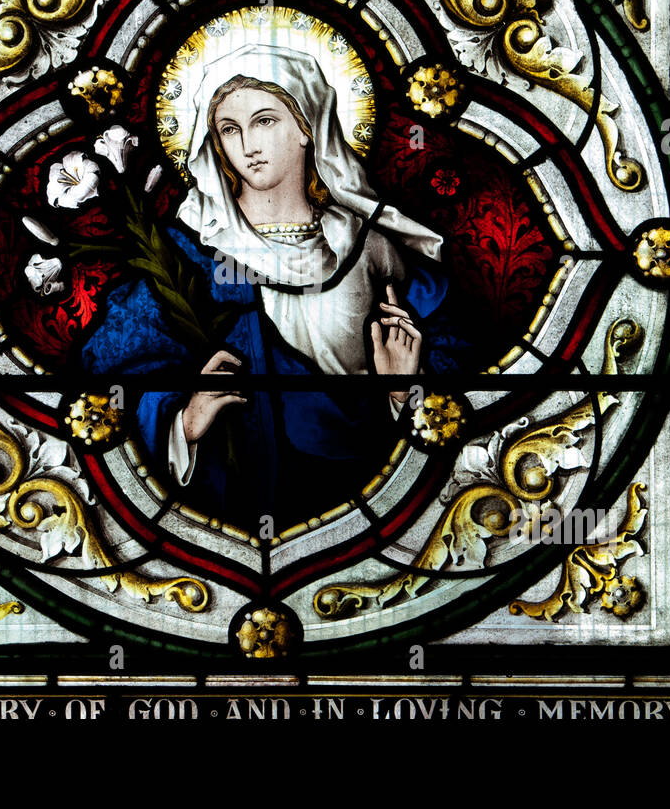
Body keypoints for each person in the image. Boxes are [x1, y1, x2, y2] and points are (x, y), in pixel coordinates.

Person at [80, 43, 475, 528]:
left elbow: (454, 356)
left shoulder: (369, 246)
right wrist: (183, 420)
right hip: (240, 496)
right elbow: (111, 375)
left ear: (308, 127)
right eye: (229, 128)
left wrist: (403, 392)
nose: (248, 144)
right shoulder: (188, 254)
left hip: (378, 495)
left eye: (265, 121)